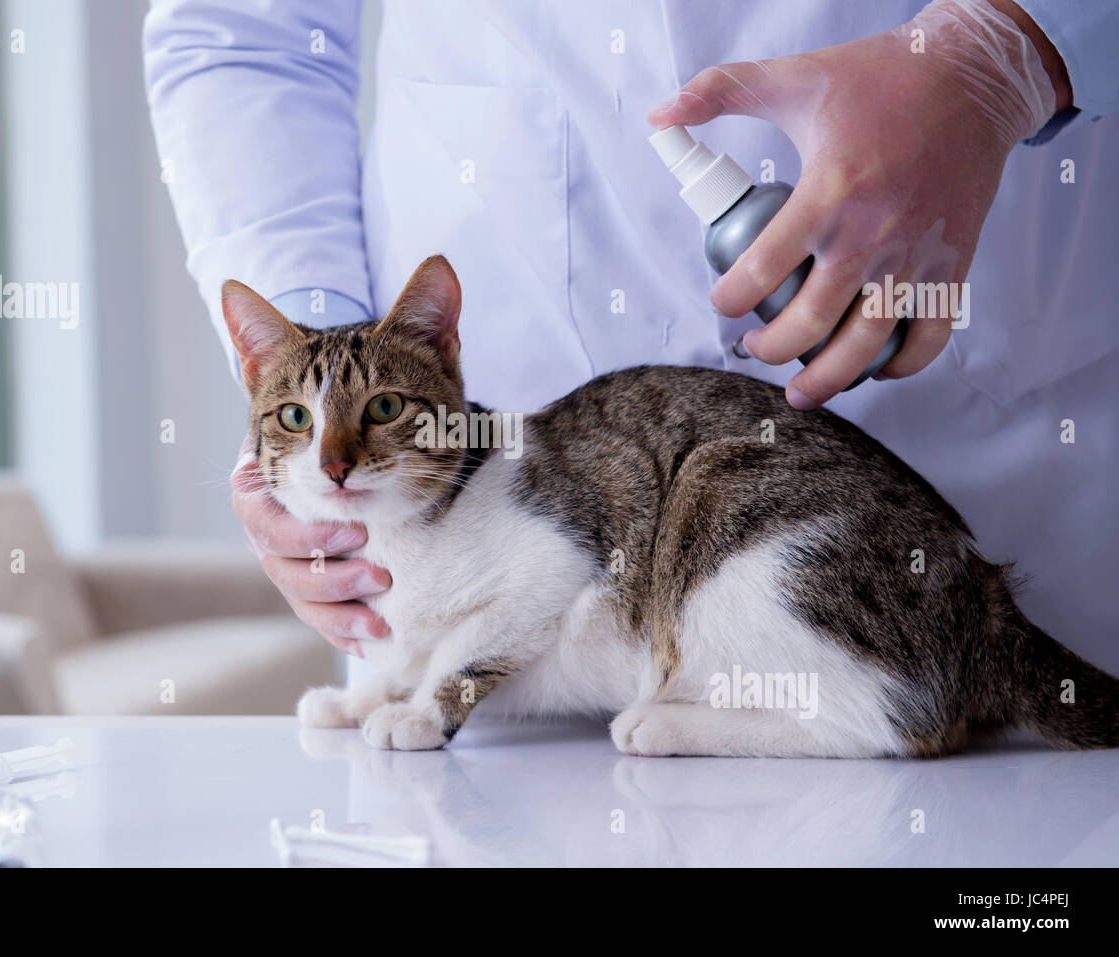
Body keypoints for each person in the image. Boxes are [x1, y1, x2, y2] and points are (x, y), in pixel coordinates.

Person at [144, 0, 1118, 680]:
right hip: (493, 501)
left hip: (993, 419)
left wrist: (1007, 48)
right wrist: (312, 371)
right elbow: (243, 34)